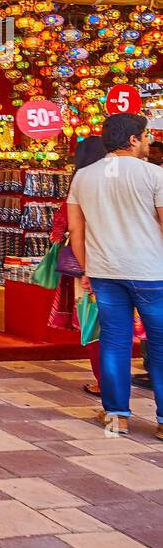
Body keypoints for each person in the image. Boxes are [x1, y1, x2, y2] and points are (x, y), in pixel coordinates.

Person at [66, 113, 163, 437]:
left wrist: (88, 268)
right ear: (133, 139)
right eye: (146, 136)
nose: (148, 142)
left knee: (114, 342)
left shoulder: (83, 177)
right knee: (160, 345)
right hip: (151, 271)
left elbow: (75, 231)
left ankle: (116, 415)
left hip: (105, 271)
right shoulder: (154, 175)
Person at [48, 136, 107, 396]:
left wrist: (84, 268)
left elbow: (62, 229)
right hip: (125, 262)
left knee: (94, 324)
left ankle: (105, 383)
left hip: (89, 265)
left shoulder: (80, 184)